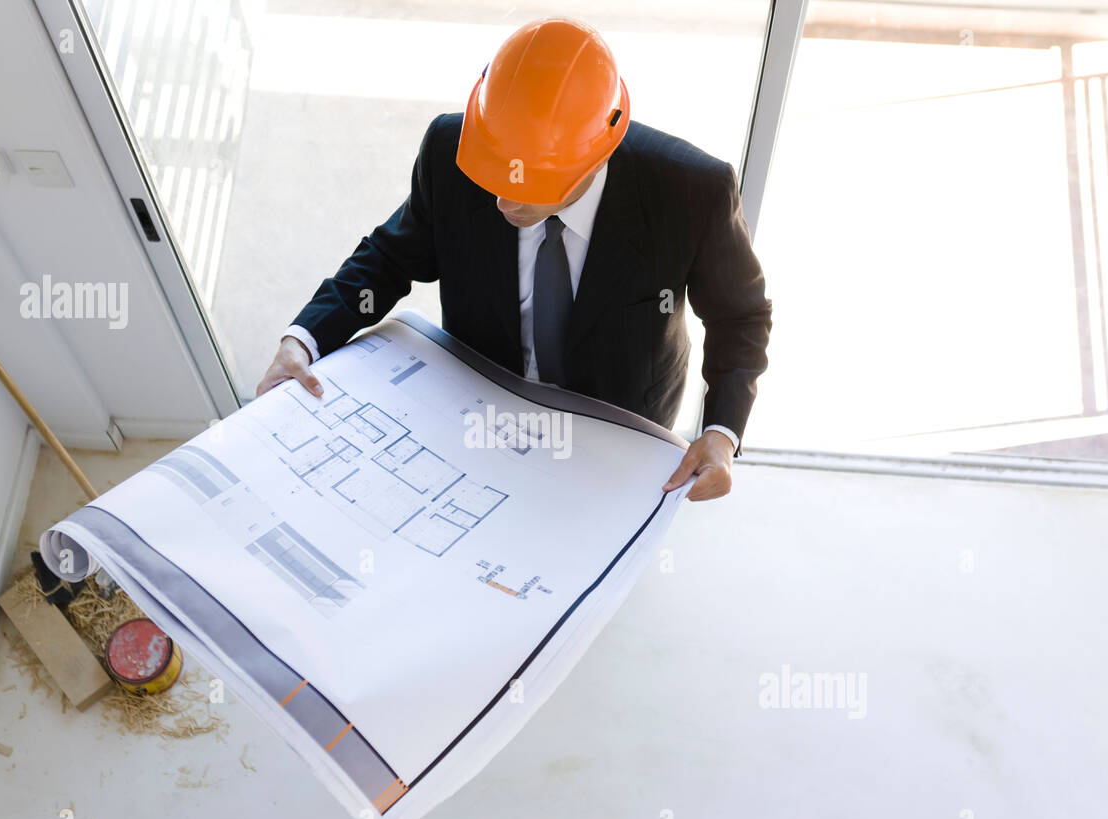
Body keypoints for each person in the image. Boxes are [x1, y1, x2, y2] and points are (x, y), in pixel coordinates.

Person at [256, 17, 772, 502]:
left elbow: (739, 315)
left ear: (596, 157)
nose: (503, 201)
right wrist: (304, 338)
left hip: (620, 426)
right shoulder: (448, 152)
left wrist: (721, 433)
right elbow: (388, 258)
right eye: (493, 174)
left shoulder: (691, 191)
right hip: (481, 412)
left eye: (529, 187)